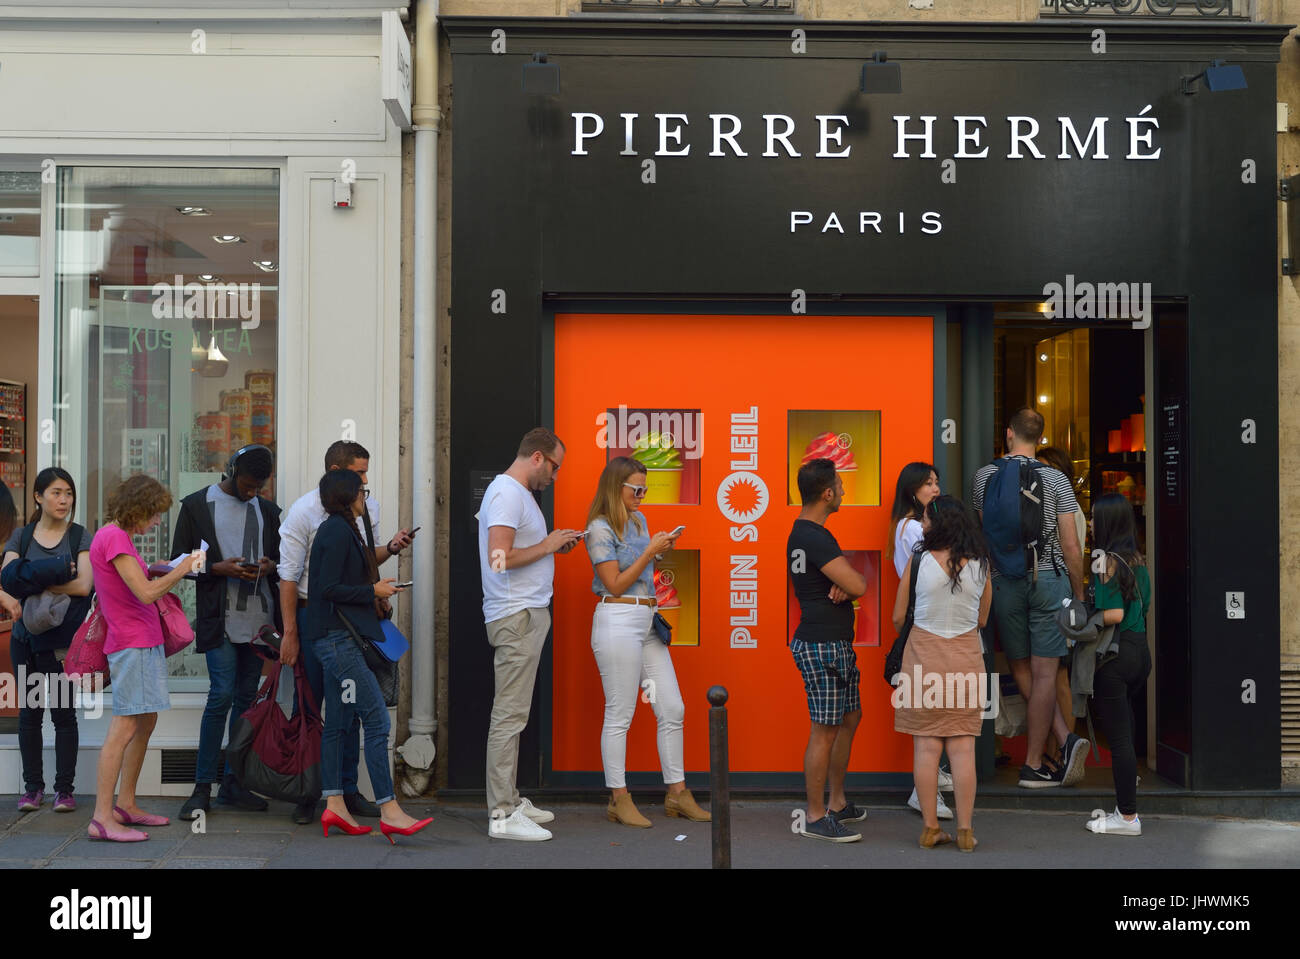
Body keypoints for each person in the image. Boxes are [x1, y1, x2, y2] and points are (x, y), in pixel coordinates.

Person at [277, 440, 415, 824]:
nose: (366, 484)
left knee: (344, 712)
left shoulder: (359, 514)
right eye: (360, 476)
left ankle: (342, 795)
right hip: (318, 621)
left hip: (350, 620)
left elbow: (361, 563)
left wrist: (387, 557)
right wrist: (290, 633)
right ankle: (309, 792)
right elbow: (292, 577)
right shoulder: (309, 515)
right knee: (312, 707)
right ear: (339, 475)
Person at [305, 469, 430, 843]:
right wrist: (371, 589)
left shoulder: (341, 529)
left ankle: (335, 806)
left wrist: (373, 588)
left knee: (340, 722)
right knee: (376, 721)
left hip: (333, 638)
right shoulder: (338, 531)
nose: (365, 496)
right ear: (348, 496)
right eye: (362, 490)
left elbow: (336, 585)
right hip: (337, 642)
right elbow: (326, 589)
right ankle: (390, 810)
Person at [585, 456, 707, 828]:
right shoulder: (599, 528)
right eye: (635, 489)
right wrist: (650, 553)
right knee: (620, 712)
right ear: (615, 488)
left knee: (672, 707)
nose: (641, 495)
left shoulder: (638, 521)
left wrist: (657, 549)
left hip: (647, 620)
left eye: (645, 488)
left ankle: (678, 793)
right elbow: (616, 583)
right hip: (617, 618)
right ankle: (618, 797)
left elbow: (638, 573)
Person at [971, 408, 1087, 789]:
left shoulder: (984, 477)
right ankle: (1037, 760)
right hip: (1049, 578)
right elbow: (1071, 545)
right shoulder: (1056, 479)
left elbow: (979, 536)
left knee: (1021, 667)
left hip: (1003, 581)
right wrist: (1078, 591)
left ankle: (1059, 747)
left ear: (1007, 434)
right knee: (1046, 674)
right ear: (1040, 438)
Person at [87, 475, 204, 842]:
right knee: (124, 726)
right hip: (132, 643)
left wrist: (159, 567)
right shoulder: (114, 538)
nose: (156, 522)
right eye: (153, 515)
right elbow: (146, 594)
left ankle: (126, 804)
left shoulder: (115, 537)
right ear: (137, 508)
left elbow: (135, 584)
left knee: (144, 721)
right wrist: (183, 569)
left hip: (140, 641)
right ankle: (102, 818)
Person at [477, 427, 580, 841]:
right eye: (555, 467)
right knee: (509, 716)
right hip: (515, 616)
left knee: (514, 715)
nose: (554, 476)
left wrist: (553, 545)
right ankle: (501, 815)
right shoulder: (507, 493)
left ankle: (511, 799)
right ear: (537, 457)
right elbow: (499, 559)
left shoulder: (516, 495)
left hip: (522, 613)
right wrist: (550, 545)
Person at [175, 445, 281, 821]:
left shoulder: (269, 510)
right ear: (232, 471)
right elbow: (179, 563)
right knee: (220, 695)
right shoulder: (196, 506)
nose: (252, 492)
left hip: (259, 622)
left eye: (259, 487)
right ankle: (202, 787)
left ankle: (234, 784)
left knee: (246, 701)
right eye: (248, 485)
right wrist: (217, 568)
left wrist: (269, 566)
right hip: (219, 619)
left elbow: (283, 562)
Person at [892, 496, 991, 852]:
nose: (923, 523)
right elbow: (982, 619)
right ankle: (965, 830)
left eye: (926, 518)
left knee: (926, 746)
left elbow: (898, 617)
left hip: (922, 657)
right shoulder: (981, 565)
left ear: (938, 524)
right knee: (963, 748)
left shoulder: (918, 562)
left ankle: (931, 828)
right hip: (966, 658)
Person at [1, 469, 93, 813]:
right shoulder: (22, 537)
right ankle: (32, 789)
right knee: (29, 714)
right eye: (56, 492)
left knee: (64, 715)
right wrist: (55, 575)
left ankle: (65, 791)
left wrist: (35, 582)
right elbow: (8, 579)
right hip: (24, 639)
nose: (64, 500)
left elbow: (84, 585)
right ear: (38, 497)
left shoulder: (80, 536)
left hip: (61, 642)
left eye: (68, 493)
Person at [787, 458, 869, 842]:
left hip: (831, 643)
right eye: (840, 484)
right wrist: (848, 583)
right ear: (827, 493)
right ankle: (816, 816)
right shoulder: (816, 537)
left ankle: (837, 802)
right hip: (824, 646)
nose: (844, 489)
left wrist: (847, 583)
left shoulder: (805, 532)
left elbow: (851, 584)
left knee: (849, 719)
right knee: (824, 730)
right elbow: (859, 584)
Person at [886, 461, 953, 821]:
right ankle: (923, 791)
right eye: (928, 483)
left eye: (937, 482)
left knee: (929, 706)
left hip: (920, 620)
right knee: (930, 711)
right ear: (913, 490)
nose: (936, 489)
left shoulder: (904, 527)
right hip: (925, 621)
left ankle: (931, 780)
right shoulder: (914, 529)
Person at [1084, 494, 1151, 836]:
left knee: (1120, 738)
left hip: (1115, 653)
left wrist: (1082, 619)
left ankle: (1127, 817)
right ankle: (1127, 795)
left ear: (1107, 523)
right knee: (1128, 722)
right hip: (1140, 651)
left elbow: (1114, 614)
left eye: (1094, 518)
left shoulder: (1102, 560)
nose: (1090, 524)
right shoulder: (1138, 560)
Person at [1035, 445, 1087, 775]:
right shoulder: (1047, 508)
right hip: (1056, 597)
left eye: (1044, 470)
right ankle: (1054, 750)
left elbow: (1074, 554)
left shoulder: (1071, 511)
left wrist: (1077, 598)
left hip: (1062, 599)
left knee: (1060, 677)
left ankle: (1062, 751)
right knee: (1049, 676)